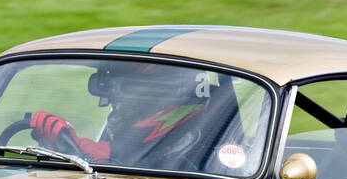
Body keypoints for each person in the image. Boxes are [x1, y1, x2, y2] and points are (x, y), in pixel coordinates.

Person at [29, 61, 211, 166]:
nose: (117, 106)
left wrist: (81, 149)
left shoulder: (200, 159)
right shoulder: (124, 135)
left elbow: (130, 160)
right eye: (114, 98)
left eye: (129, 97)